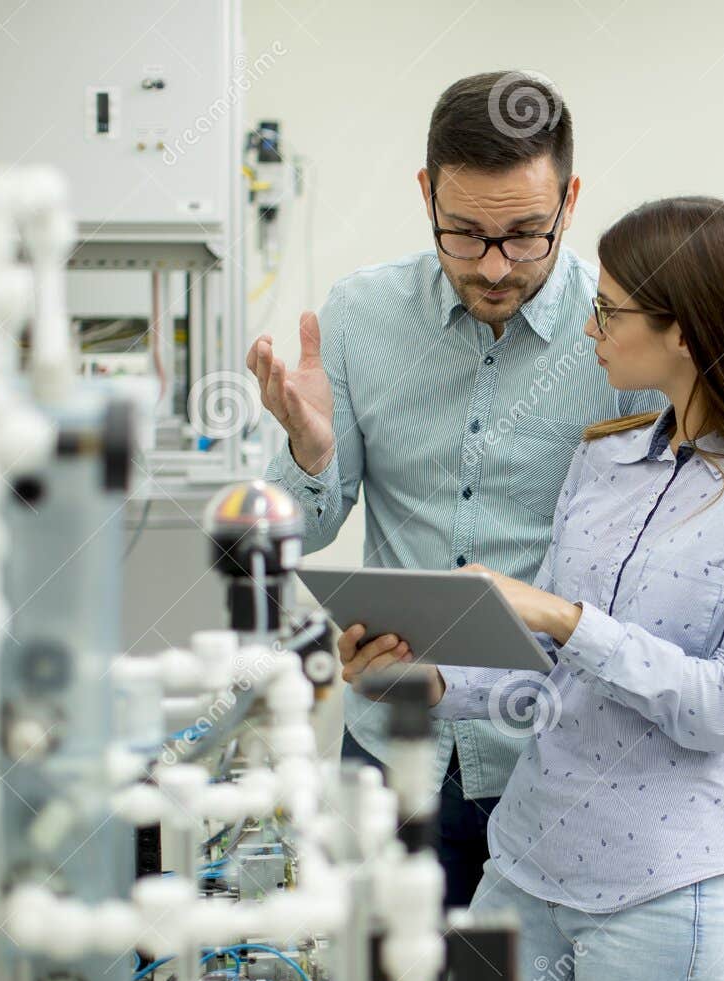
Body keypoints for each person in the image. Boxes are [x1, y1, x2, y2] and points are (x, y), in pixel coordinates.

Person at [344, 196, 724, 981]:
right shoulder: (605, 455)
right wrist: (422, 679)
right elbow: (543, 672)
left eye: (611, 309)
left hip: (663, 893)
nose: (591, 324)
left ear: (687, 332)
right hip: (518, 868)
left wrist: (568, 618)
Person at [247, 72, 663, 908]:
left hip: (553, 758)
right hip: (394, 742)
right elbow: (307, 528)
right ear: (426, 193)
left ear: (570, 200)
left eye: (525, 235)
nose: (497, 266)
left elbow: (647, 570)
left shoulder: (623, 339)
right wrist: (310, 451)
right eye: (465, 234)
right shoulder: (361, 316)